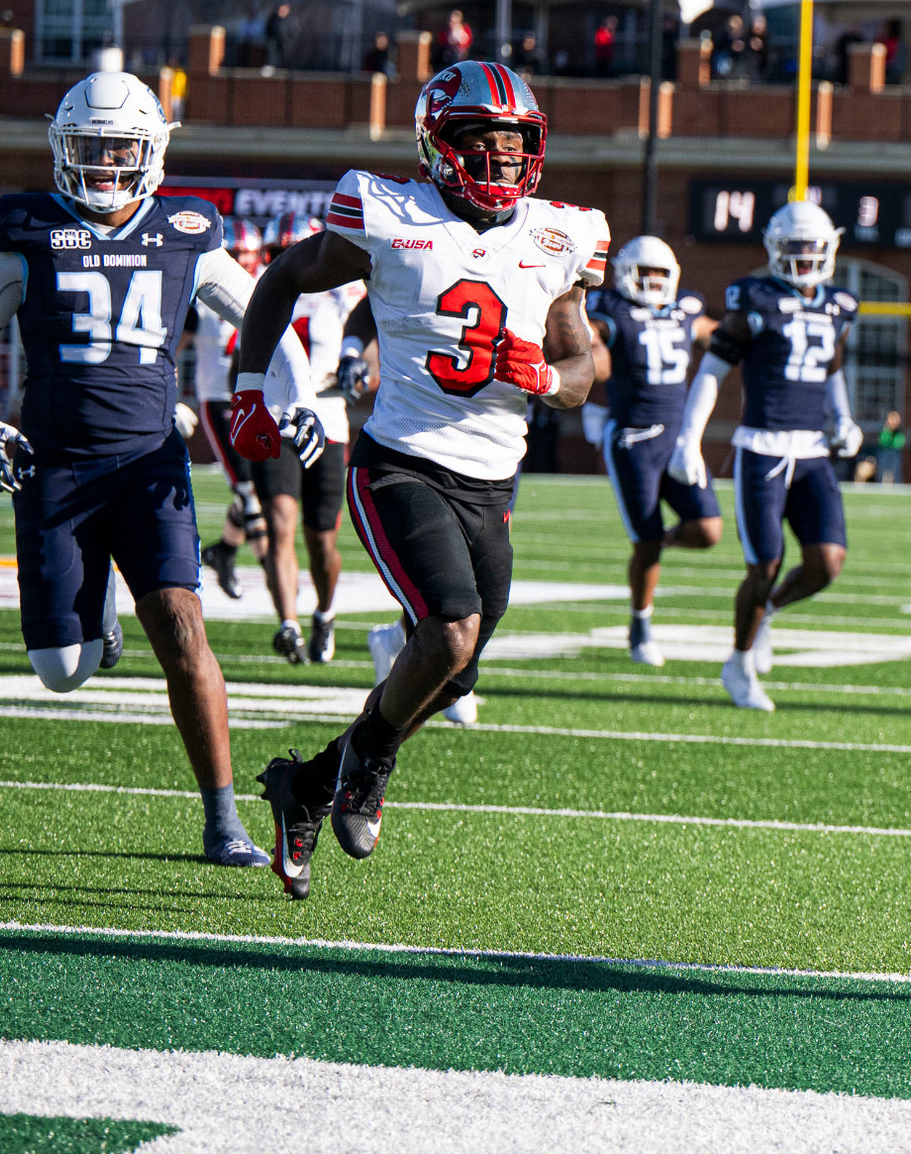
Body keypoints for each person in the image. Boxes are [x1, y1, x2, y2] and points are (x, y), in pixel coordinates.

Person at [240, 61, 608, 900]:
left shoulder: (561, 234)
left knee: (456, 672)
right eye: (480, 142)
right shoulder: (390, 215)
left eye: (514, 144)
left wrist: (549, 381)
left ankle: (305, 785)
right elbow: (284, 277)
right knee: (448, 632)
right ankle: (366, 766)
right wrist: (252, 387)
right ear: (439, 148)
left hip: (493, 482)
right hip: (400, 462)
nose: (501, 160)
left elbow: (582, 362)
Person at [0, 70, 325, 867]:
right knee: (62, 671)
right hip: (54, 472)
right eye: (88, 148)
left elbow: (264, 316)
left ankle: (224, 822)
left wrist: (300, 399)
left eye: (119, 147)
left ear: (151, 150)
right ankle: (97, 615)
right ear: (60, 148)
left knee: (184, 624)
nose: (104, 164)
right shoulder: (29, 229)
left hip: (151, 463)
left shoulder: (187, 231)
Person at [667, 200, 862, 713]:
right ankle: (739, 661)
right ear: (774, 250)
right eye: (792, 248)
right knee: (764, 565)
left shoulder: (839, 304)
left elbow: (833, 364)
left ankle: (768, 613)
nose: (802, 259)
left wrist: (842, 417)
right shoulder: (754, 300)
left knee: (827, 563)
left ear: (829, 250)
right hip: (763, 450)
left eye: (811, 249)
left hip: (813, 450)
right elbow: (712, 370)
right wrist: (690, 440)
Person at [585, 235, 722, 667]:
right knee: (645, 544)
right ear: (627, 273)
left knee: (707, 531)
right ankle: (640, 626)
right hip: (634, 440)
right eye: (644, 272)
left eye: (661, 273)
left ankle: (656, 546)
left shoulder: (687, 309)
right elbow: (591, 342)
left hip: (680, 441)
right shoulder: (611, 311)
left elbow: (716, 335)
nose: (652, 280)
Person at [255, 213, 359, 665]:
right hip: (276, 421)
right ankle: (288, 624)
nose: (288, 261)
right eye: (280, 252)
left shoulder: (341, 296)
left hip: (327, 422)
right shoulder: (257, 293)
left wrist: (357, 374)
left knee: (322, 542)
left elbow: (364, 346)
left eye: (295, 250)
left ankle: (324, 611)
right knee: (279, 524)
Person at [194, 218, 271, 599]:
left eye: (247, 252)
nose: (241, 258)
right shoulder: (205, 285)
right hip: (219, 400)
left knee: (258, 488)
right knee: (249, 493)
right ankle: (276, 585)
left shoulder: (271, 285)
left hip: (261, 399)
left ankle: (223, 551)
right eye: (235, 251)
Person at [874, 410, 906, 484]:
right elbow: (883, 441)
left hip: (895, 454)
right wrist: (888, 431)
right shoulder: (885, 431)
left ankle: (897, 486)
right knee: (882, 472)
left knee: (896, 472)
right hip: (884, 453)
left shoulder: (899, 432)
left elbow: (898, 444)